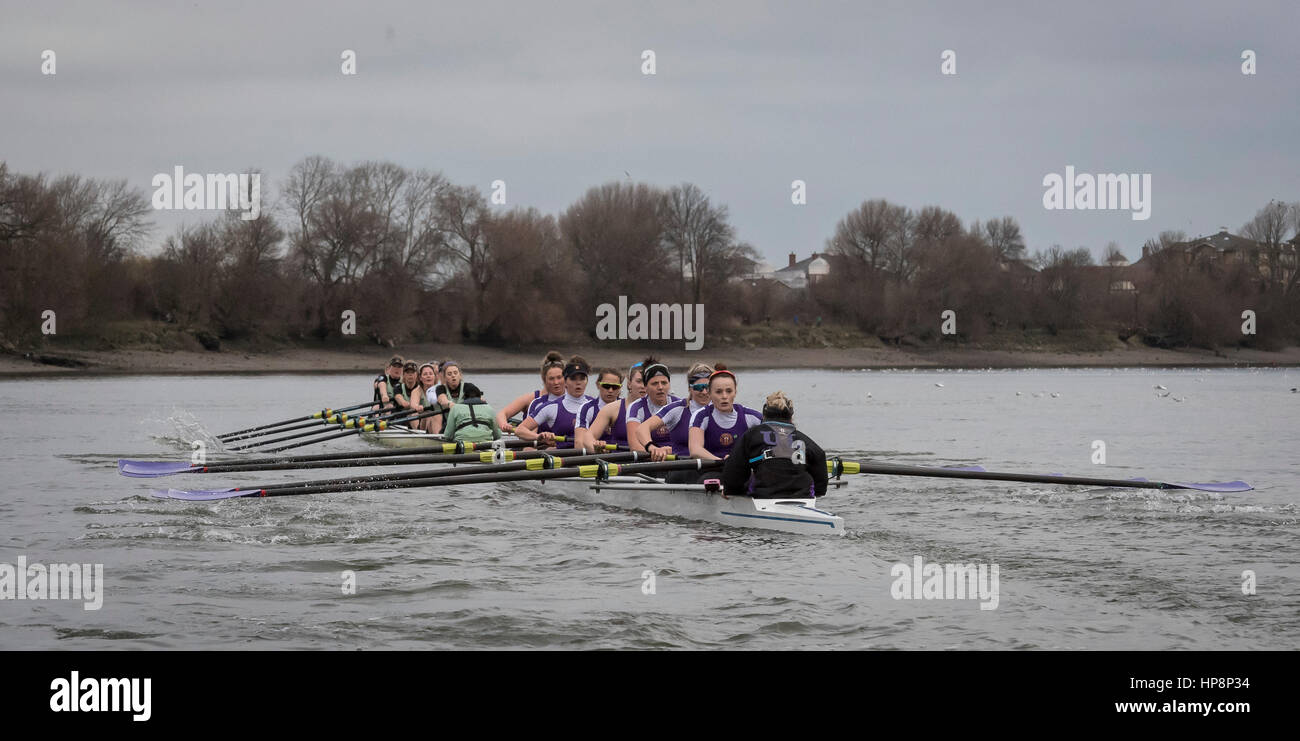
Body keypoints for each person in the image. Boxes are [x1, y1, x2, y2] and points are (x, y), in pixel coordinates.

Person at [721, 391, 827, 499]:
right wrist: (819, 491)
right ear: (791, 417)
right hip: (802, 495)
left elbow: (735, 468)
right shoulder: (801, 437)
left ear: (764, 415)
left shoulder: (752, 435)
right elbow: (820, 456)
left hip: (764, 494)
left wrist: (731, 490)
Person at [639, 362, 714, 462]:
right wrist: (653, 448)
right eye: (698, 387)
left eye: (707, 387)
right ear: (689, 388)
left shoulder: (724, 410)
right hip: (682, 469)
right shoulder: (677, 409)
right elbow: (642, 428)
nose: (704, 392)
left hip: (714, 467)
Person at [514, 355, 594, 448]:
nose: (578, 382)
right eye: (573, 378)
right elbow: (519, 430)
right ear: (565, 381)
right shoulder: (551, 407)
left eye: (582, 378)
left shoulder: (596, 405)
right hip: (562, 458)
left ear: (587, 381)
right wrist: (539, 437)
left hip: (591, 456)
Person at [688, 363, 763, 462]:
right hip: (712, 469)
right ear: (710, 393)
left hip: (742, 470)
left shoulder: (750, 415)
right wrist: (723, 462)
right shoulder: (701, 416)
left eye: (729, 391)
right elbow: (695, 450)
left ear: (735, 392)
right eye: (718, 392)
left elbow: (778, 432)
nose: (724, 396)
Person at [496, 351, 566, 434]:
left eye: (559, 377)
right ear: (544, 379)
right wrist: (504, 424)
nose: (556, 382)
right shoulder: (532, 399)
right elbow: (502, 414)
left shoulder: (573, 399)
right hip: (533, 443)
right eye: (551, 379)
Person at [625, 358, 680, 453]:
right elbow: (635, 446)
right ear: (645, 387)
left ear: (669, 385)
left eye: (664, 383)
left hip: (679, 457)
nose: (660, 387)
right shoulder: (636, 408)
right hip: (649, 458)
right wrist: (656, 451)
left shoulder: (679, 404)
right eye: (655, 383)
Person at [575, 368, 628, 450]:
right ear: (598, 385)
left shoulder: (628, 407)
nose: (610, 390)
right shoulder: (587, 408)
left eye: (615, 387)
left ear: (620, 387)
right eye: (606, 386)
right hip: (596, 456)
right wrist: (596, 450)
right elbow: (579, 443)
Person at [429, 360, 466, 434]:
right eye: (449, 374)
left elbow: (479, 400)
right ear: (443, 376)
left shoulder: (467, 386)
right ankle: (438, 438)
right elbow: (440, 400)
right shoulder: (437, 388)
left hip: (462, 419)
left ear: (460, 375)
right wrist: (449, 404)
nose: (453, 376)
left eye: (455, 373)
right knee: (436, 414)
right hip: (443, 419)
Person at [392, 361, 425, 428]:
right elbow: (400, 400)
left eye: (412, 372)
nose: (410, 375)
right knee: (413, 413)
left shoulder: (421, 388)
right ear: (403, 375)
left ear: (417, 375)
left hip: (418, 418)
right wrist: (414, 406)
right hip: (401, 419)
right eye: (407, 373)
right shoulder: (398, 387)